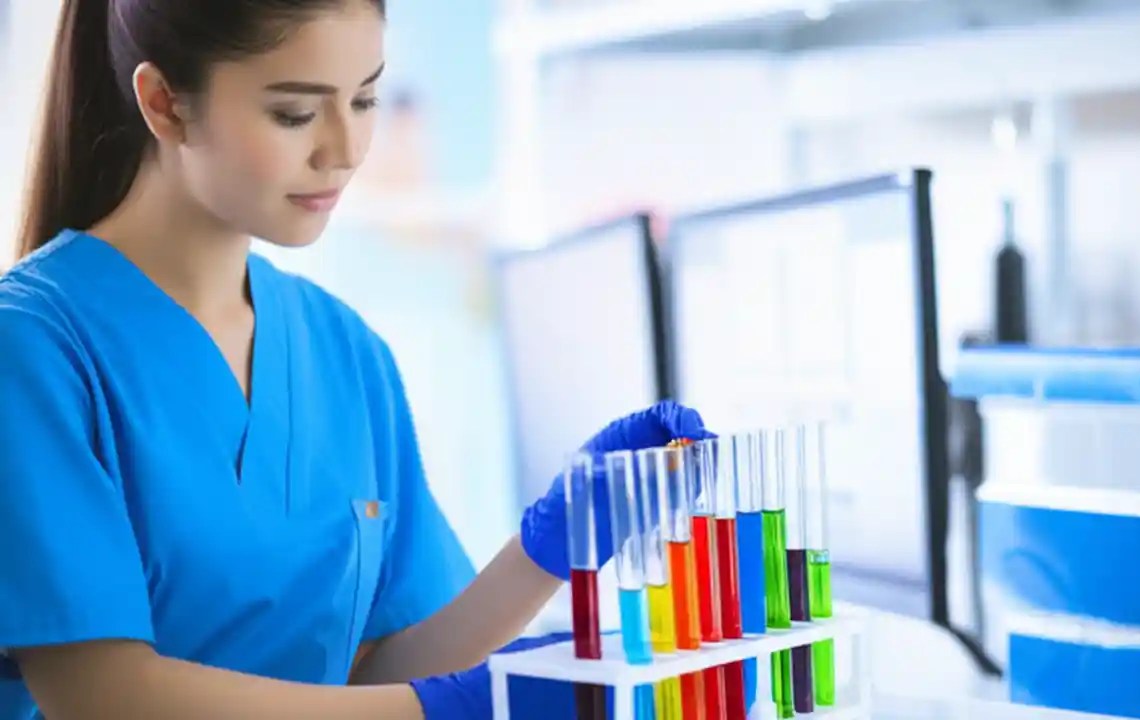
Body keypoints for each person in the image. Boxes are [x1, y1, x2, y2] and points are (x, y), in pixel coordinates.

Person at [0, 1, 713, 718]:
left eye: (365, 98)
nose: (344, 149)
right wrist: (444, 711)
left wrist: (550, 547)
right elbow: (101, 695)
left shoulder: (342, 350)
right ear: (165, 104)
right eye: (294, 114)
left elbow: (381, 674)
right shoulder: (33, 346)